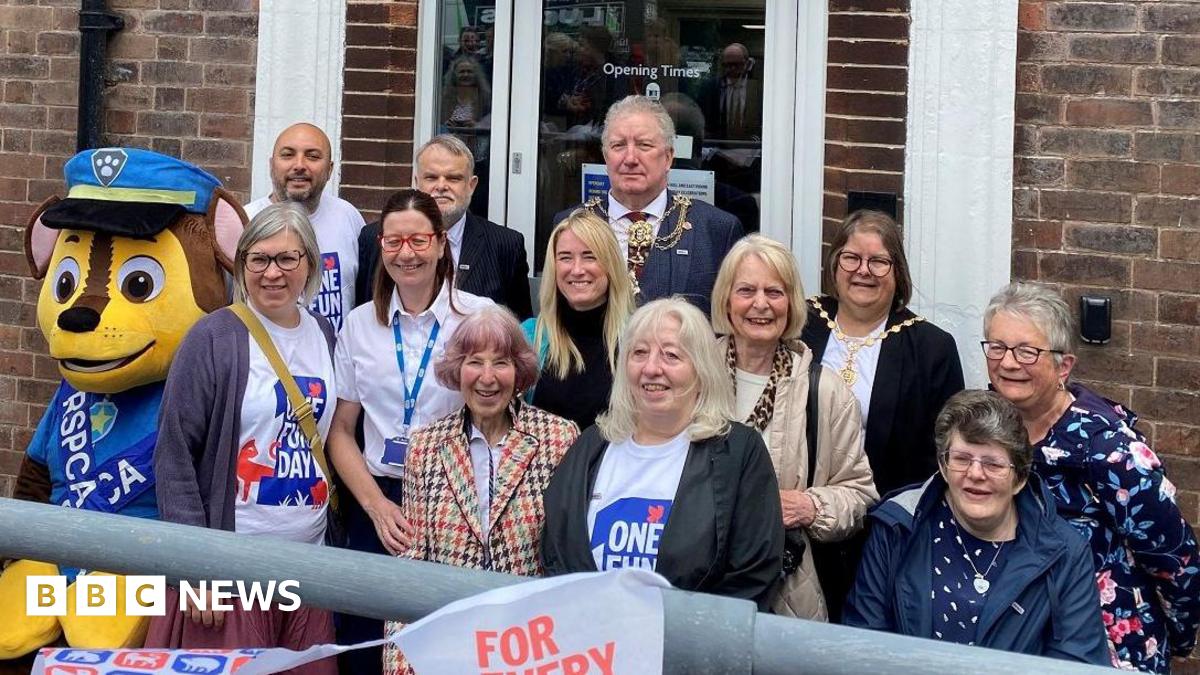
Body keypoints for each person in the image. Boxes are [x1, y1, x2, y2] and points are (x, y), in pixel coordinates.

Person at [148, 203, 336, 672]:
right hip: (232, 569)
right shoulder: (213, 338)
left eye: (287, 259)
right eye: (259, 259)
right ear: (242, 263)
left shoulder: (327, 335)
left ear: (308, 263)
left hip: (308, 565)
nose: (272, 272)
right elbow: (174, 457)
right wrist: (198, 570)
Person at [982, 282, 1200, 672]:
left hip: (1105, 648)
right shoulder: (984, 430)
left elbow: (1176, 561)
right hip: (1013, 642)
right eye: (996, 347)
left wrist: (1179, 637)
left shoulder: (1111, 451)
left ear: (1063, 366)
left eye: (1027, 351)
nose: (1008, 363)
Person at [329, 188, 494, 673]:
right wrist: (376, 505)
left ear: (442, 243)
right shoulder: (360, 325)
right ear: (381, 246)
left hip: (457, 498)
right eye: (394, 241)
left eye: (419, 240)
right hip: (376, 499)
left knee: (442, 646)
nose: (407, 253)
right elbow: (341, 430)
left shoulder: (478, 318)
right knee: (362, 644)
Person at [540, 298, 783, 609]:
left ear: (702, 370)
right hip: (591, 644)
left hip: (687, 649)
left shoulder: (738, 453)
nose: (652, 368)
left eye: (671, 355)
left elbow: (754, 575)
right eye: (639, 353)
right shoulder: (591, 445)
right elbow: (556, 549)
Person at [844, 390, 1109, 664]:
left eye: (993, 464)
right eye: (962, 459)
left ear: (1019, 478)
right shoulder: (897, 527)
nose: (975, 474)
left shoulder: (1065, 553)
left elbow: (1077, 662)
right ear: (944, 466)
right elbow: (865, 642)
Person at [381, 307, 579, 674]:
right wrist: (400, 662)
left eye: (500, 362)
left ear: (519, 372)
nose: (487, 378)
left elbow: (566, 562)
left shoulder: (558, 438)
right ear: (458, 370)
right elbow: (412, 563)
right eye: (475, 362)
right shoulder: (425, 446)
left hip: (529, 647)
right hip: (449, 646)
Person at [711, 235, 877, 621]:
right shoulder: (692, 377)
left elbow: (860, 493)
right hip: (701, 581)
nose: (761, 304)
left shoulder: (825, 390)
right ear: (725, 300)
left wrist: (810, 506)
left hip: (787, 592)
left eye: (775, 291)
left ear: (791, 303)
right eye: (746, 290)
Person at [801, 209, 964, 498]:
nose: (863, 270)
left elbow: (945, 451)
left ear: (898, 271)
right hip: (795, 505)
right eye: (851, 258)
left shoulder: (931, 349)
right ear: (835, 264)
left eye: (878, 262)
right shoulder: (800, 323)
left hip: (885, 516)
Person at [556, 95, 743, 315]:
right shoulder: (569, 225)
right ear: (606, 156)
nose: (630, 158)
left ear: (668, 157)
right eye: (618, 146)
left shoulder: (715, 229)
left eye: (644, 145)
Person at [358, 135, 531, 319]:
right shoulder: (375, 239)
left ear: (471, 185)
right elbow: (366, 313)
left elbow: (520, 330)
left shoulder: (505, 245)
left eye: (453, 178)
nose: (441, 186)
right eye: (431, 177)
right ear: (417, 182)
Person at [245, 122, 366, 332]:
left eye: (312, 156)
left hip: (334, 361)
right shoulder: (246, 221)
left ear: (329, 170)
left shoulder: (348, 217)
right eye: (288, 155)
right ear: (272, 165)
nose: (299, 165)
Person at [521, 210, 634, 430]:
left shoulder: (639, 339)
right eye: (565, 257)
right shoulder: (528, 337)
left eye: (590, 256)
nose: (577, 269)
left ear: (611, 265)